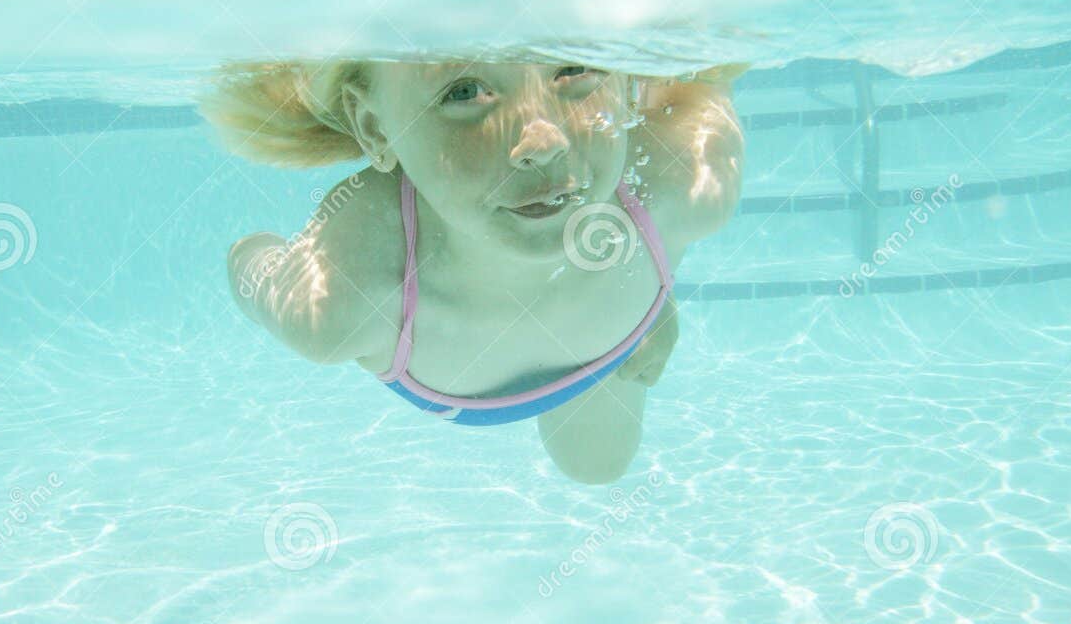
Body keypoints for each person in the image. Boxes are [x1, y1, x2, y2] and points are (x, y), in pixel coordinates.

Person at [207, 59, 743, 483]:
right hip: (529, 344)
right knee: (595, 465)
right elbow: (250, 274)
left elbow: (698, 78)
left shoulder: (685, 183)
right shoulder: (346, 297)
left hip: (615, 335)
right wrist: (250, 256)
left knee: (597, 469)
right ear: (374, 127)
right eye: (463, 92)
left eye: (573, 70)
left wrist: (652, 290)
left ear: (626, 82)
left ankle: (650, 303)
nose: (544, 142)